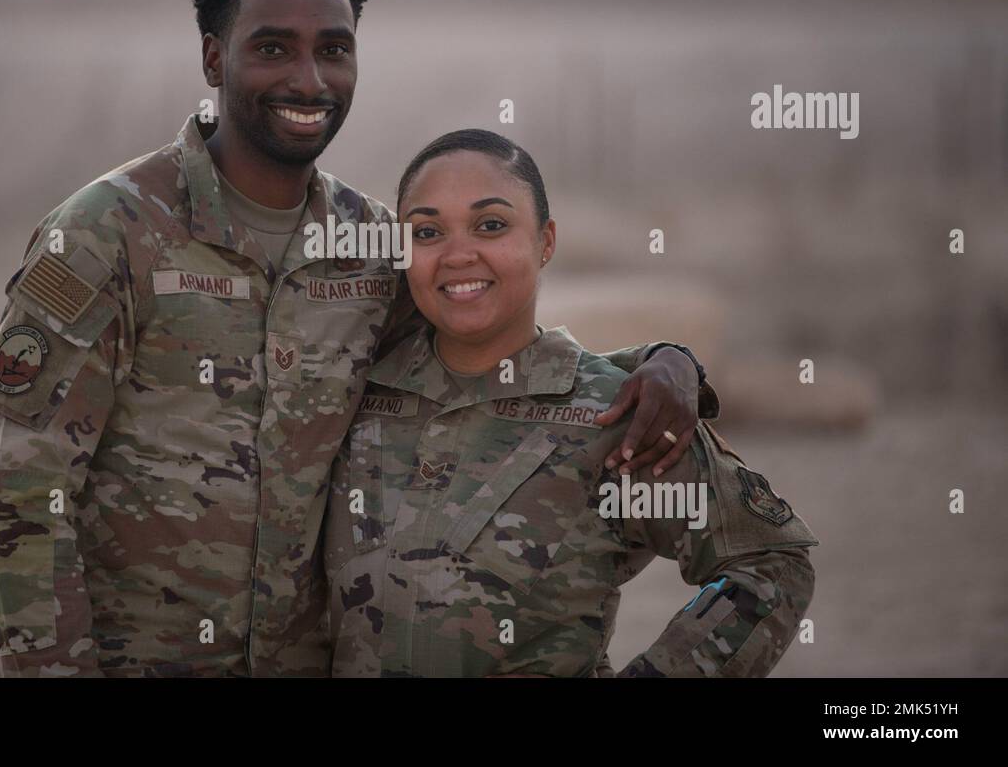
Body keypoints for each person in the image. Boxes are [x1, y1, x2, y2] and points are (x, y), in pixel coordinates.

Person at [0, 0, 719, 677]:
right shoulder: (108, 233)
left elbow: (481, 352)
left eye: (333, 49)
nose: (309, 79)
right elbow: (30, 501)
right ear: (212, 58)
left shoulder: (373, 245)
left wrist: (662, 361)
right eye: (273, 48)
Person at [325, 130, 817, 677]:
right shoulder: (353, 395)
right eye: (428, 231)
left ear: (546, 241)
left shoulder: (614, 414)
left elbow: (771, 562)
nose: (459, 253)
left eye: (492, 225)